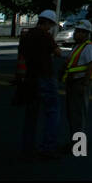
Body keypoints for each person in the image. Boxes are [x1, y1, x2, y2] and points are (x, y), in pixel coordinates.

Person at [20, 9, 65, 159]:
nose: (50, 28)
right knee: (52, 111)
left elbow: (22, 54)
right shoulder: (45, 36)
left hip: (31, 77)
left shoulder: (28, 35)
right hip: (45, 76)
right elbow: (59, 53)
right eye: (51, 25)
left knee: (31, 114)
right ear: (47, 23)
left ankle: (27, 147)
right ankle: (48, 147)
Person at [63, 19, 92, 146]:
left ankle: (79, 145)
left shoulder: (88, 47)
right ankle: (74, 142)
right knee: (72, 114)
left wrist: (85, 83)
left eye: (80, 32)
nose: (76, 34)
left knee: (78, 114)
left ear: (86, 34)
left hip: (80, 83)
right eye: (76, 31)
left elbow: (91, 65)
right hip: (73, 83)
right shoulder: (77, 46)